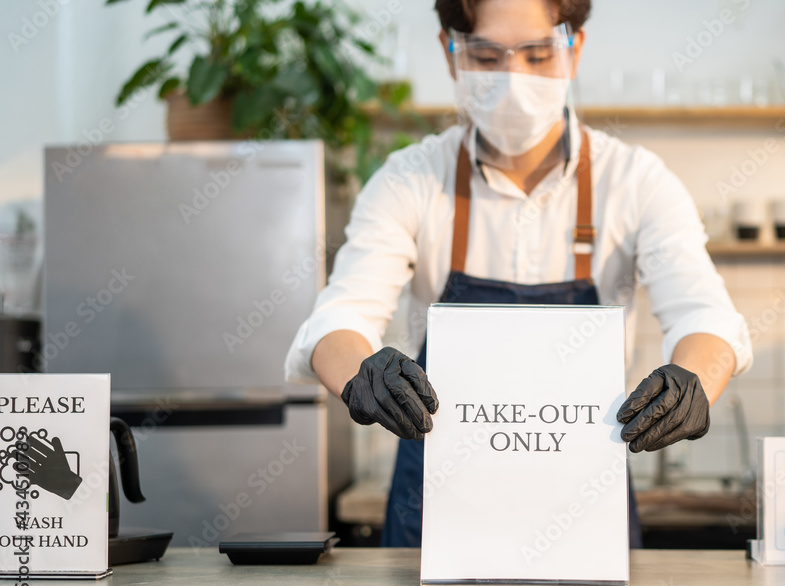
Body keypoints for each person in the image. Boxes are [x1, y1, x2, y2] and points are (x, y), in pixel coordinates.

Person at [285, 0, 752, 548]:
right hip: (435, 504)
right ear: (449, 52)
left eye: (537, 54)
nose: (515, 80)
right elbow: (339, 317)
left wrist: (693, 379)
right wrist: (360, 372)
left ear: (575, 48)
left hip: (585, 503)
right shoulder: (411, 179)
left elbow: (705, 315)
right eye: (486, 56)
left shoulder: (636, 182)